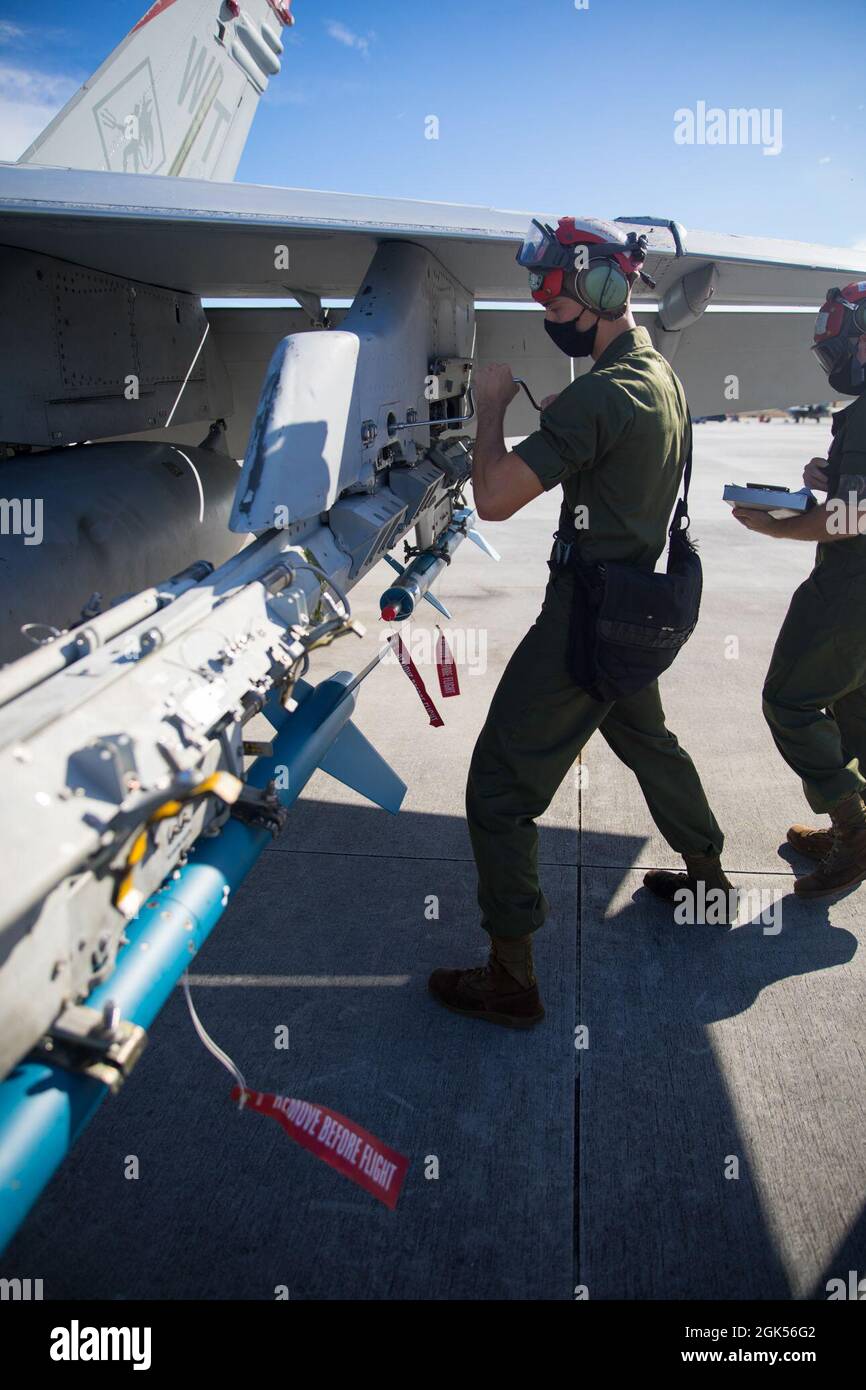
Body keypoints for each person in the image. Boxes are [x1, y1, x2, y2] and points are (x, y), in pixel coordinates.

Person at [428, 217, 733, 1029]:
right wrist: (575, 419)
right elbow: (618, 440)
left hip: (584, 622)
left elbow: (493, 497)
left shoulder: (605, 394)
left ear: (599, 291)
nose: (542, 304)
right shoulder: (654, 377)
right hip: (636, 613)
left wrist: (492, 409)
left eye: (552, 290)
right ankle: (708, 877)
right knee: (647, 740)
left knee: (498, 790)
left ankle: (511, 978)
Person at [732, 282, 866, 898]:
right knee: (854, 709)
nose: (835, 363)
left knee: (790, 701)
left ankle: (853, 830)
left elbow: (854, 517)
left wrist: (776, 527)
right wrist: (832, 474)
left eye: (839, 349)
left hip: (850, 590)